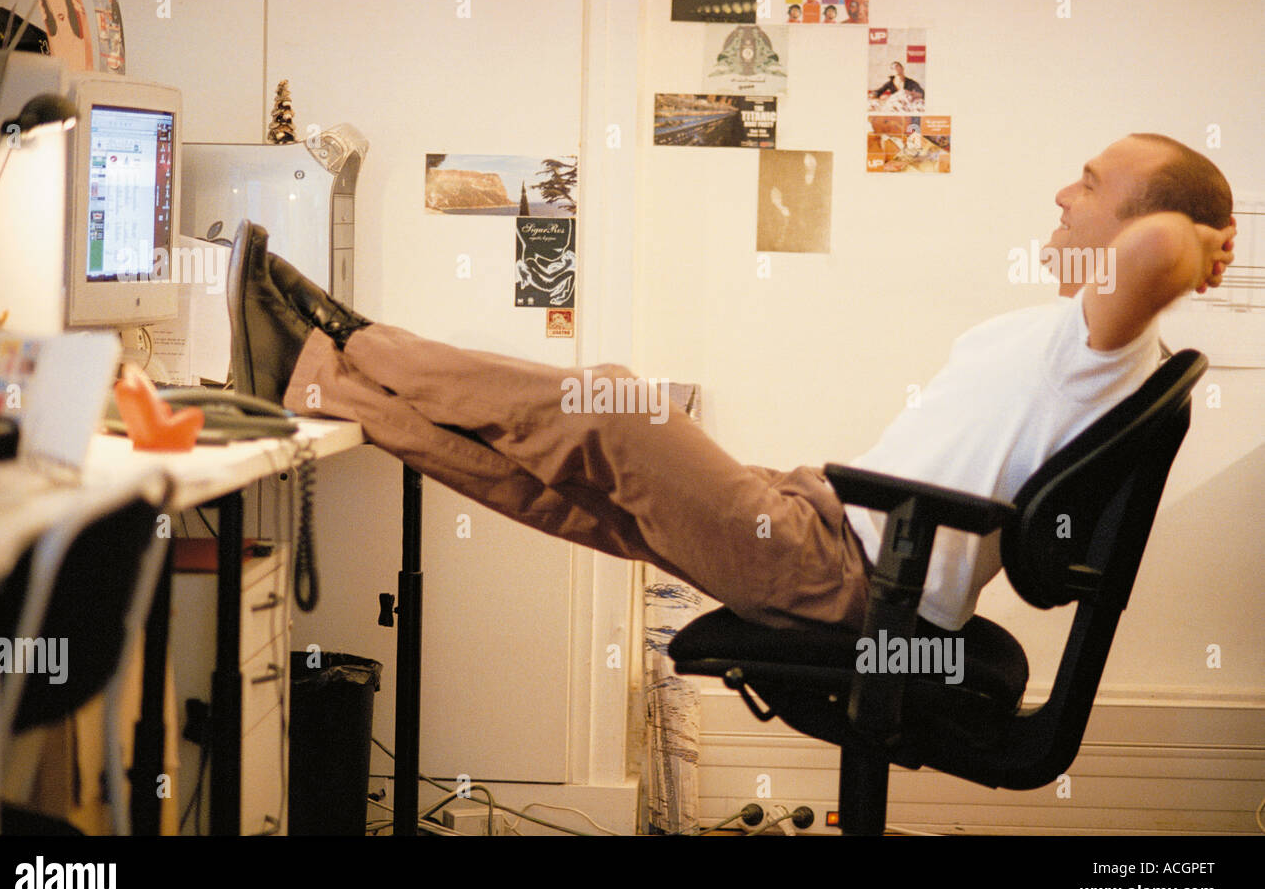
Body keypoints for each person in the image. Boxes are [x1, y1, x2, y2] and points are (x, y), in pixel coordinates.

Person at [229, 134, 1234, 634]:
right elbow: (1140, 248)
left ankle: (355, 340)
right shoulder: (1081, 335)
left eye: (1092, 184)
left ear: (1144, 231)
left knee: (617, 406)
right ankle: (324, 378)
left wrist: (1196, 240)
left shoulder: (1100, 346)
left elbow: (1150, 253)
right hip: (823, 519)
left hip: (843, 575)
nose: (1062, 193)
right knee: (572, 486)